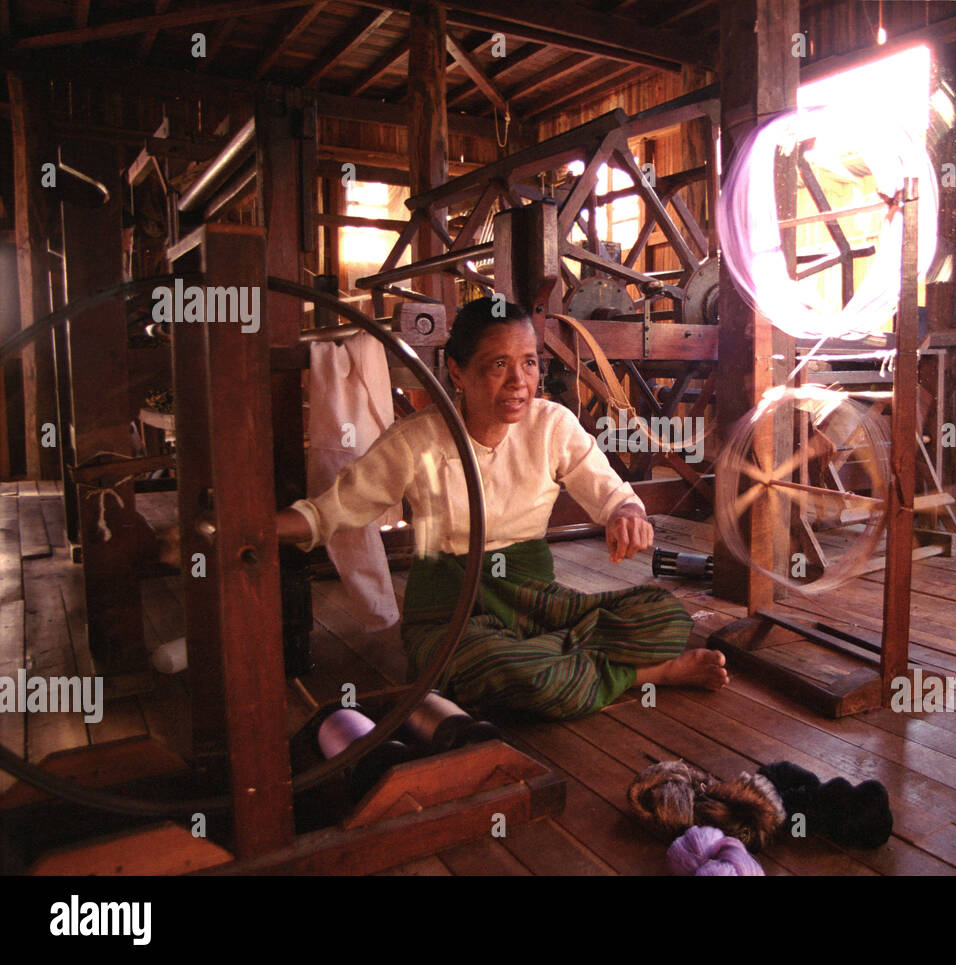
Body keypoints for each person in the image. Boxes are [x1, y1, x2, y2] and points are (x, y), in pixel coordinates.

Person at [275, 296, 727, 720]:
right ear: (457, 371)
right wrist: (258, 529)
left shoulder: (552, 425)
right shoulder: (417, 440)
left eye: (529, 363)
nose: (519, 382)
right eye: (498, 365)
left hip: (534, 600)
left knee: (666, 615)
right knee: (509, 671)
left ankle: (552, 654)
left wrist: (626, 514)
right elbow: (330, 512)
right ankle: (643, 674)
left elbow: (611, 492)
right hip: (450, 614)